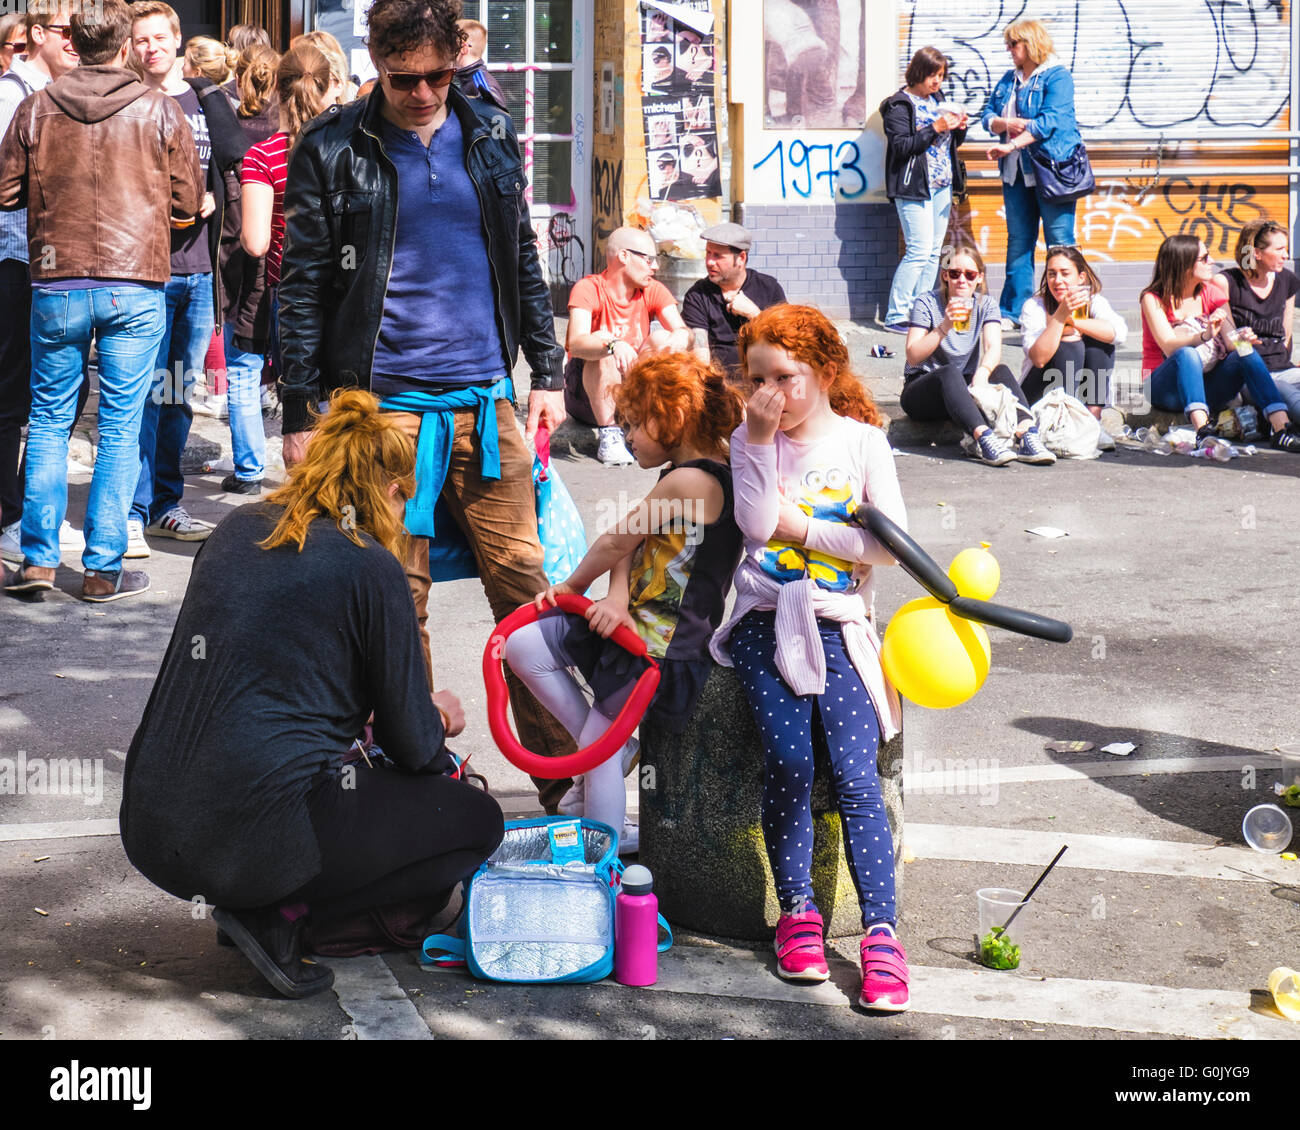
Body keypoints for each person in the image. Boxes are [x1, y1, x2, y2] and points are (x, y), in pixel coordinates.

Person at [277, 0, 577, 814]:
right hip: (381, 413)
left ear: (459, 59)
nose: (419, 93)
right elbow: (298, 282)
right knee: (392, 603)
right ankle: (419, 791)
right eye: (401, 78)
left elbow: (520, 251)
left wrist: (546, 371)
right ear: (373, 61)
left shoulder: (485, 132)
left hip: (486, 404)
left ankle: (568, 791)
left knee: (527, 594)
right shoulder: (334, 145)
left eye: (435, 76)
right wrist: (300, 410)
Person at [120, 388, 503, 999]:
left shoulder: (236, 529)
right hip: (251, 838)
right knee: (477, 822)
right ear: (389, 490)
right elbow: (414, 748)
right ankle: (280, 912)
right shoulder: (369, 563)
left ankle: (260, 893)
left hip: (150, 827)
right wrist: (438, 721)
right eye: (406, 497)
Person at [709, 303, 911, 1011]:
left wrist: (803, 526)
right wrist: (759, 440)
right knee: (791, 764)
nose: (769, 394)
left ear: (824, 371)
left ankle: (881, 936)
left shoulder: (862, 444)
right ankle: (798, 913)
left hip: (840, 623)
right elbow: (757, 526)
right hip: (768, 621)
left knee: (856, 775)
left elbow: (885, 545)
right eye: (754, 379)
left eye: (785, 378)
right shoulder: (750, 438)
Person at [0, 0, 201, 601]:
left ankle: (36, 560)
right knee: (118, 425)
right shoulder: (158, 108)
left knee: (49, 420)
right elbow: (189, 201)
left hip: (57, 283)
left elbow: (6, 191)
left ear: (76, 46)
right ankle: (101, 569)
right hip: (133, 281)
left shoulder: (36, 108)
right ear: (121, 48)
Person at [506, 352, 745, 854]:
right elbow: (634, 543)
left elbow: (619, 539)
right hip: (629, 623)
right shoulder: (681, 474)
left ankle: (603, 853)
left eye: (634, 423)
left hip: (660, 643)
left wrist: (570, 587)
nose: (627, 435)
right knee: (523, 645)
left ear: (671, 419)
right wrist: (614, 595)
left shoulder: (696, 480)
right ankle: (614, 754)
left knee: (596, 748)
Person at [128, 1, 244, 553]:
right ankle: (130, 507)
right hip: (146, 274)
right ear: (131, 47)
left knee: (176, 395)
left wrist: (211, 201)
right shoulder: (127, 100)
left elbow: (238, 157)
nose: (152, 47)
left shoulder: (204, 98)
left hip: (198, 272)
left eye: (160, 37)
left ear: (177, 40)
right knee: (141, 397)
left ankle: (165, 506)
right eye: (141, 39)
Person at [0, 0, 81, 567]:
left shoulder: (64, 95)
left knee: (53, 399)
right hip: (14, 260)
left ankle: (28, 512)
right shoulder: (12, 96)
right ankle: (10, 517)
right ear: (34, 35)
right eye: (65, 31)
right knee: (10, 397)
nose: (76, 41)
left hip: (58, 267)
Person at [236, 46, 337, 496]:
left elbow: (255, 242)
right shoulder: (349, 148)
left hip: (292, 296)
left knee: (301, 409)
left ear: (278, 89)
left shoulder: (263, 155)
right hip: (351, 295)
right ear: (331, 86)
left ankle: (308, 512)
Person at [1140, 234, 1300, 452]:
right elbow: (1168, 345)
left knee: (1245, 351)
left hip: (1208, 385)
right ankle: (1203, 431)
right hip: (1164, 387)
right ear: (1184, 264)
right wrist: (1204, 335)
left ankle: (1282, 430)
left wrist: (1244, 340)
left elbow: (1231, 341)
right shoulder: (1153, 298)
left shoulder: (1211, 293)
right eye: (1204, 258)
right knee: (1187, 354)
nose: (1212, 261)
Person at [899, 243, 1054, 465]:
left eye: (969, 275)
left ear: (979, 278)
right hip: (923, 389)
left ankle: (1027, 432)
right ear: (945, 276)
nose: (962, 280)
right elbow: (913, 355)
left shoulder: (985, 304)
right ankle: (984, 439)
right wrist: (945, 326)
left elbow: (993, 348)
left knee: (999, 370)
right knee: (949, 372)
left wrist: (982, 374)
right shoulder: (927, 302)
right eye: (955, 274)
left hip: (961, 389)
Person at [980, 18, 1084, 328]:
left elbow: (1048, 122)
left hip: (1051, 171)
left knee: (1060, 242)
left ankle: (1070, 308)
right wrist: (1003, 124)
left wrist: (1012, 144)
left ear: (1030, 43)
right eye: (1007, 45)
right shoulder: (1009, 80)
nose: (1009, 50)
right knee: (1019, 241)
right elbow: (987, 115)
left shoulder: (1056, 77)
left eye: (1013, 44)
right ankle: (1017, 311)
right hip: (1015, 174)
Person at [564, 225, 690, 464]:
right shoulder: (589, 288)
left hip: (631, 393)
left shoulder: (652, 289)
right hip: (586, 398)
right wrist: (612, 343)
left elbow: (682, 330)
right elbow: (576, 343)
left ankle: (654, 420)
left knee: (663, 339)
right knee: (602, 343)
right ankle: (609, 434)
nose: (655, 266)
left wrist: (682, 336)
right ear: (624, 256)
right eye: (649, 259)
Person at [880, 46, 966, 333]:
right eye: (932, 75)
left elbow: (951, 145)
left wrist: (959, 127)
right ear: (918, 72)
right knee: (917, 250)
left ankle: (918, 311)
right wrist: (936, 127)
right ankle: (896, 314)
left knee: (932, 252)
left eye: (941, 76)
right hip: (913, 186)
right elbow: (903, 146)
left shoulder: (938, 100)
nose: (937, 82)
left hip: (941, 185)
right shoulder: (899, 105)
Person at [1019, 245, 1127, 417]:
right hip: (1039, 392)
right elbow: (1038, 359)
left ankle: (1094, 417)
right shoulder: (1035, 306)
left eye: (1065, 273)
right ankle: (1065, 419)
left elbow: (1118, 334)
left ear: (1081, 277)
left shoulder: (1094, 301)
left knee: (1099, 341)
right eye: (1052, 274)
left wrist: (1073, 322)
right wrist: (1059, 318)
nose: (1058, 280)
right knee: (1070, 345)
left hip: (1083, 392)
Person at [1212, 219, 1300, 426]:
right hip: (1250, 374)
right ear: (1257, 253)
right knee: (1284, 391)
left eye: (1285, 248)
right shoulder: (1226, 282)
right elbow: (1230, 343)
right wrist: (1245, 340)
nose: (1286, 255)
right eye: (1279, 249)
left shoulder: (1287, 279)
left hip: (1284, 367)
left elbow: (1286, 335)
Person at [682, 221, 787, 374]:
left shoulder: (769, 288)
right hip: (720, 384)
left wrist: (754, 314)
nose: (709, 262)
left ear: (741, 258)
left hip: (766, 377)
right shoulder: (697, 295)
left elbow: (786, 341)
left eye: (718, 256)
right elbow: (700, 355)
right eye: (708, 253)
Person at [454, 17, 506, 112]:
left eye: (450, 45)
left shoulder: (482, 84)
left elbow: (498, 124)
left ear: (463, 48)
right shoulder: (468, 80)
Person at [667, 132, 720, 199]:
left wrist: (707, 171)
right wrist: (686, 138)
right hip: (686, 188)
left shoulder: (709, 137)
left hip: (711, 180)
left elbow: (722, 155)